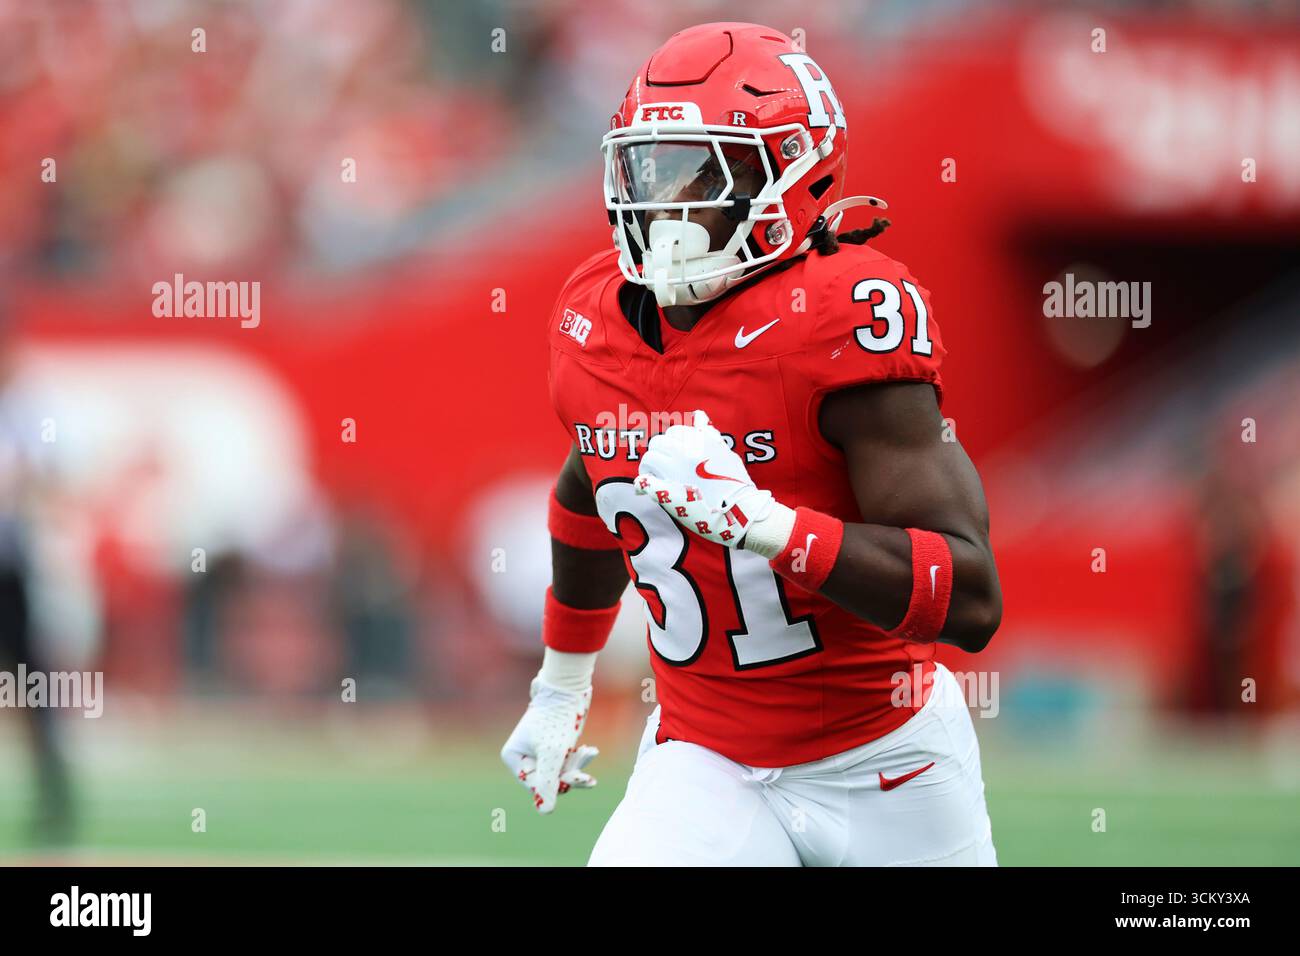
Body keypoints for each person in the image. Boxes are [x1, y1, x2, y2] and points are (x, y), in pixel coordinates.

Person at [502, 22, 1001, 866]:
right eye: (650, 172)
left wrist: (768, 526)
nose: (667, 207)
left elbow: (970, 599)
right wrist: (561, 684)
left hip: (889, 758)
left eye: (703, 172)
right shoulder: (594, 317)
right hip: (705, 759)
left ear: (797, 171)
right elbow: (591, 489)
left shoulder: (845, 316)